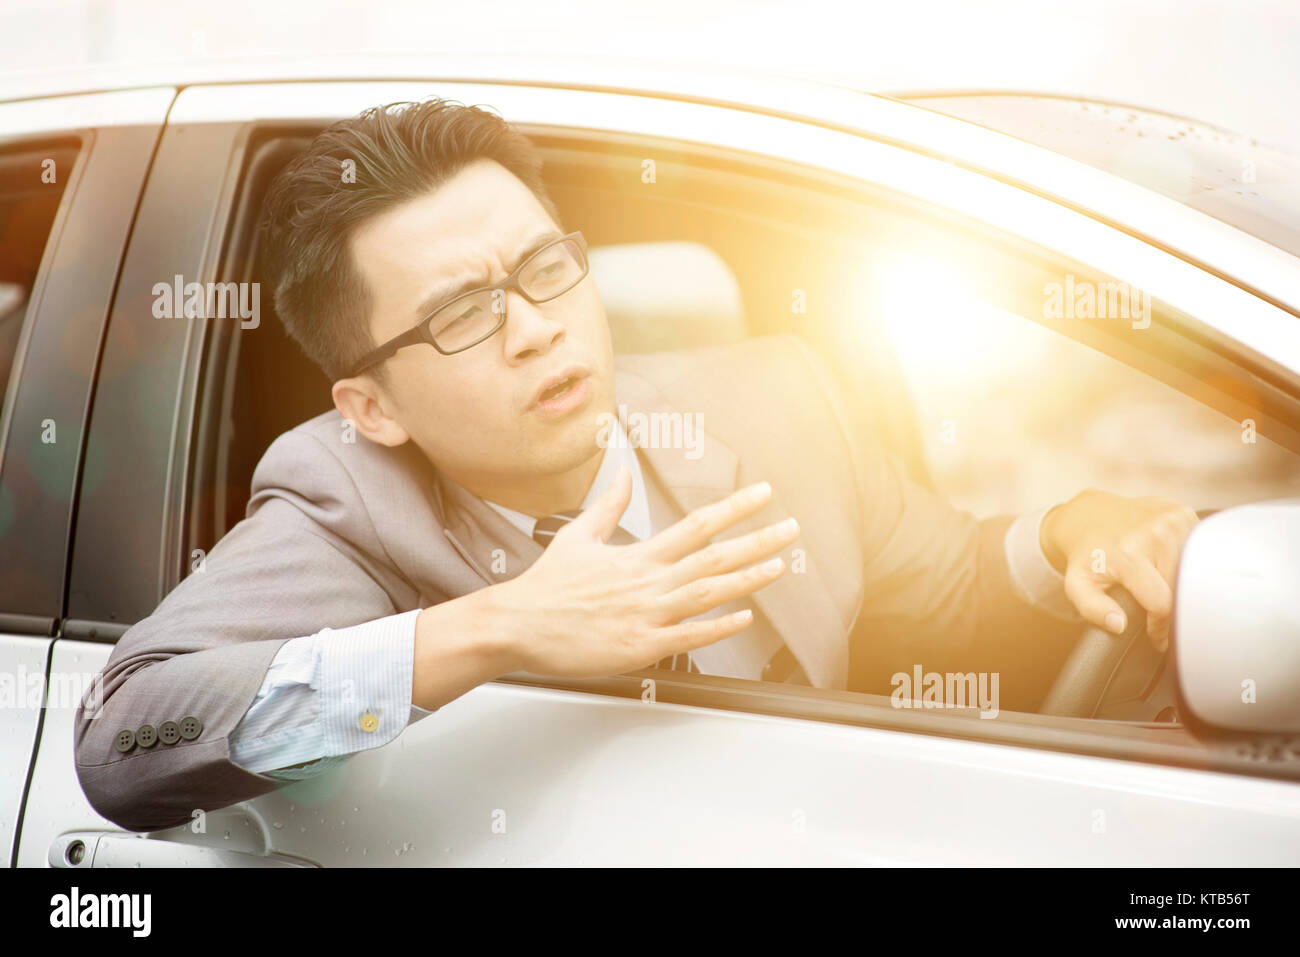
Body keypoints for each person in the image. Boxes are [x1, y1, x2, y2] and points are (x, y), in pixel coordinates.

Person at [74, 98, 1199, 833]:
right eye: (465, 313)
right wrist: (499, 628)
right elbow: (123, 740)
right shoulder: (342, 499)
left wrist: (1069, 530)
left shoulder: (775, 396)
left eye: (543, 270)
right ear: (370, 406)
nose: (535, 329)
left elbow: (948, 589)